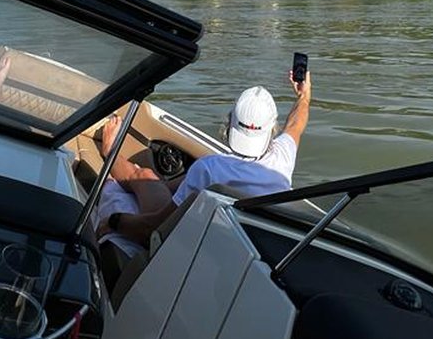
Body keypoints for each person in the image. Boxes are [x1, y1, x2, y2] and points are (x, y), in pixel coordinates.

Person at [99, 69, 312, 252]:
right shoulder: (282, 159)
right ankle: (159, 184)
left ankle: (110, 153)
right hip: (234, 244)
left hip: (189, 242)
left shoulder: (210, 168)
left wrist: (115, 221)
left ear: (230, 122)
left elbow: (154, 229)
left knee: (144, 176)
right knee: (165, 185)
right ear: (272, 129)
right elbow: (295, 125)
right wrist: (304, 96)